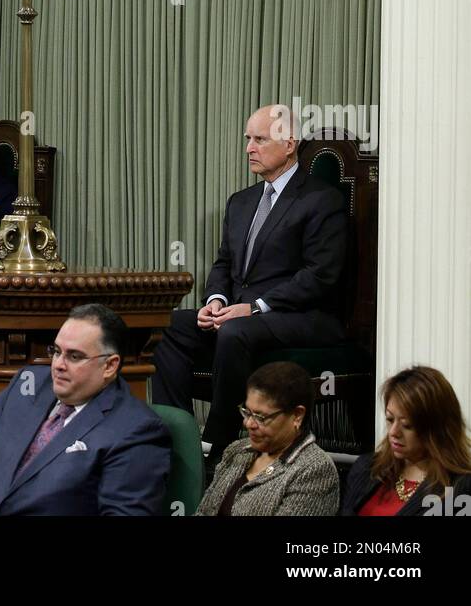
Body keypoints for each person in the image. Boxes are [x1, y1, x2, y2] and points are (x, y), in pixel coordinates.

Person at [152, 104, 348, 454]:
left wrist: (255, 308)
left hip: (302, 317)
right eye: (248, 139)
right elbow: (224, 264)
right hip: (239, 318)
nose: (249, 148)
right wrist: (217, 301)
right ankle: (177, 437)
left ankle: (217, 443)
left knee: (234, 332)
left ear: (289, 144)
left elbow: (319, 276)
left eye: (259, 139)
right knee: (168, 325)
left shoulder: (322, 199)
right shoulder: (240, 202)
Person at [0, 302, 170, 515]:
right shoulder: (30, 384)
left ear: (109, 366)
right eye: (56, 352)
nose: (58, 365)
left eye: (74, 356)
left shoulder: (135, 430)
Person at [196, 362, 338, 516]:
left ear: (297, 415)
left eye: (260, 417)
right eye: (247, 412)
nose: (248, 423)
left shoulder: (315, 470)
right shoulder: (237, 451)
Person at [342, 366, 471, 516]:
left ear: (436, 428)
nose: (393, 432)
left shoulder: (460, 487)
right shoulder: (366, 467)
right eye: (390, 419)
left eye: (407, 425)